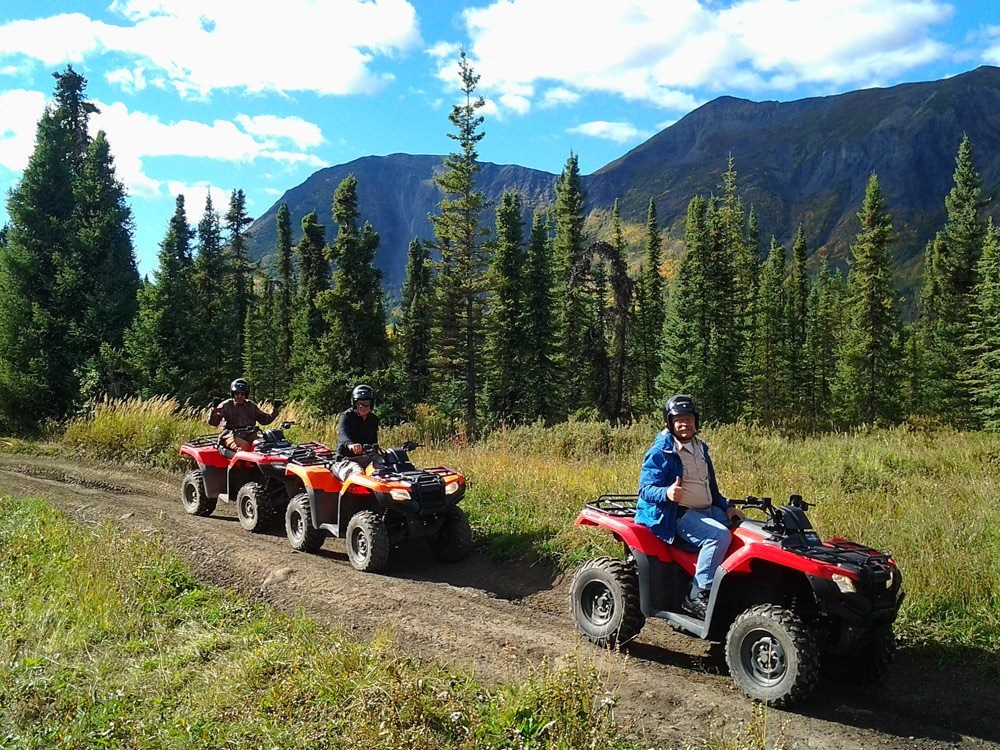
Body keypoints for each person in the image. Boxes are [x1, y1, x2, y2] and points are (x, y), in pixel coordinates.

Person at [636, 394, 744, 619]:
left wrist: (726, 507)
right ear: (670, 422)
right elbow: (645, 490)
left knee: (745, 530)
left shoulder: (700, 448)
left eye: (689, 419)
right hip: (677, 514)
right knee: (719, 536)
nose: (685, 424)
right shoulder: (661, 452)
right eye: (679, 420)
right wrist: (666, 493)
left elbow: (710, 487)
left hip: (707, 509)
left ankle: (734, 586)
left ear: (696, 421)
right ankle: (697, 594)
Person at [208, 378, 282, 451]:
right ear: (233, 393)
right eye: (237, 393)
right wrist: (214, 410)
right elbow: (213, 423)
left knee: (264, 445)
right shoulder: (226, 405)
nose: (240, 396)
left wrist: (275, 409)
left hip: (250, 434)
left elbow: (264, 420)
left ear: (246, 394)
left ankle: (263, 463)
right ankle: (240, 463)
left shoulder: (251, 405)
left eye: (242, 393)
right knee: (244, 446)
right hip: (230, 435)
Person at [331, 384, 380, 480]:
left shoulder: (373, 419)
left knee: (386, 471)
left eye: (366, 403)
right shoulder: (346, 416)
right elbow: (342, 435)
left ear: (372, 404)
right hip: (347, 459)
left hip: (368, 457)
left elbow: (373, 441)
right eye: (359, 403)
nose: (363, 406)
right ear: (354, 403)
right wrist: (351, 445)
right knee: (357, 475)